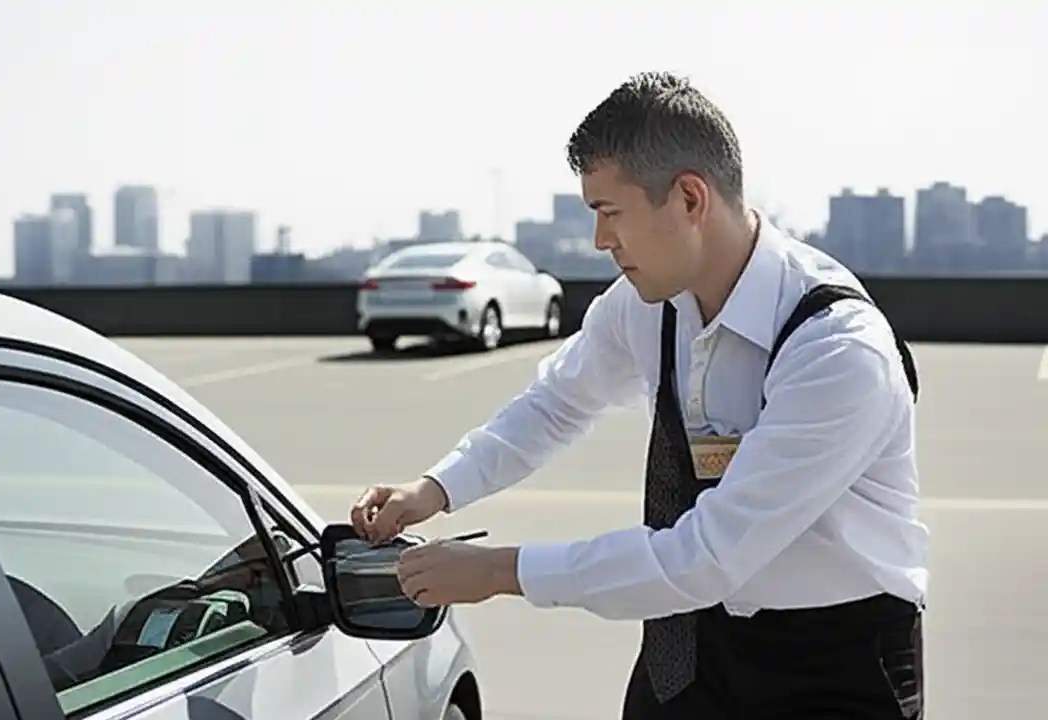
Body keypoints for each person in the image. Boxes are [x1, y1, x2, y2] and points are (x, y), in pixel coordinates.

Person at [350, 71, 927, 719]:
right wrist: (434, 489)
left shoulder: (837, 349)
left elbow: (709, 554)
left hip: (834, 659)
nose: (601, 241)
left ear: (688, 199)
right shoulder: (645, 305)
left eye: (609, 212)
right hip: (689, 641)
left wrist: (496, 572)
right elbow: (555, 404)